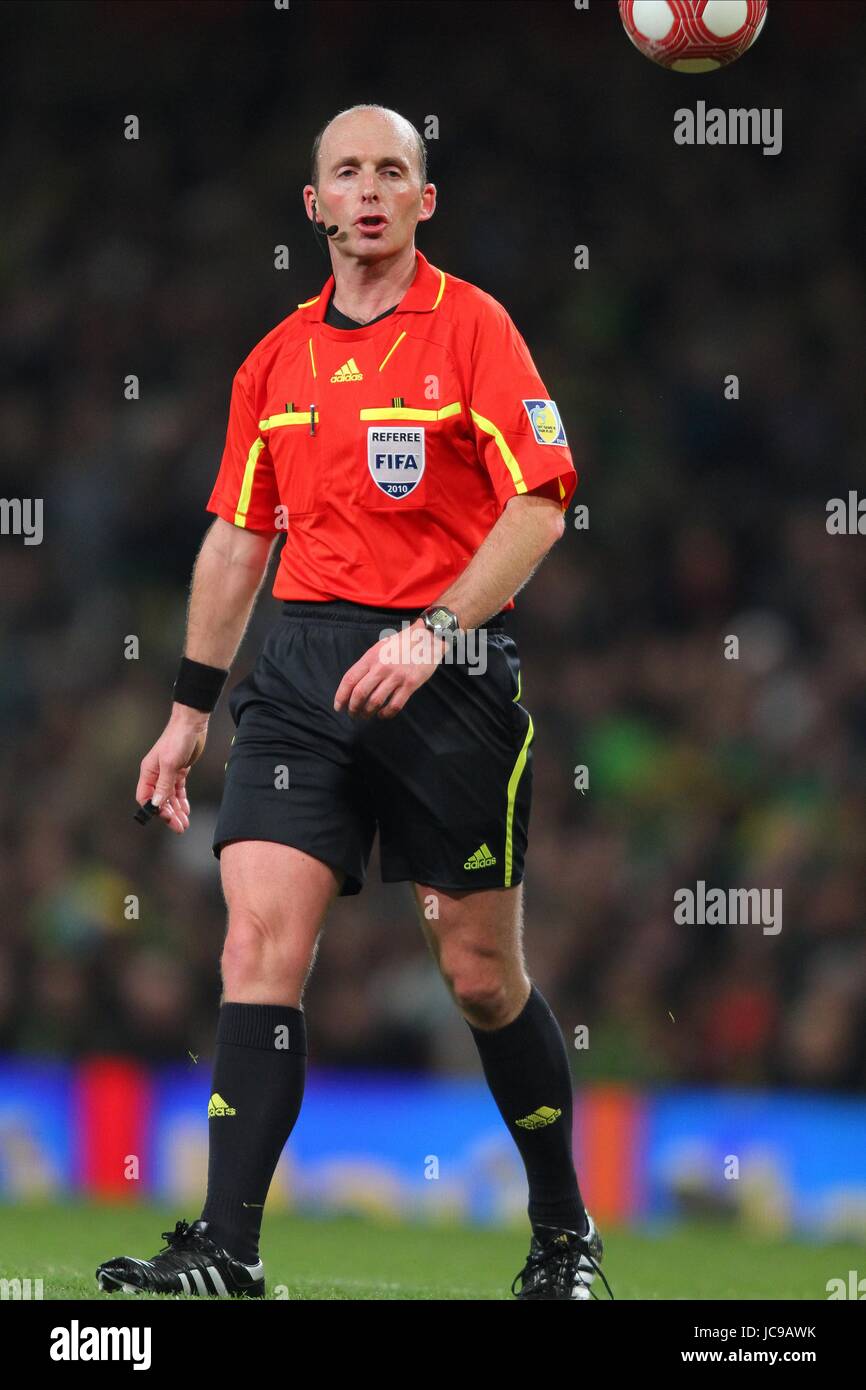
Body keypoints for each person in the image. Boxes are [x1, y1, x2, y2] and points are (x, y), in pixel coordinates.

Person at [97, 104, 607, 1301]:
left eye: (393, 171)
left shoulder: (474, 327)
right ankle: (227, 1251)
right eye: (345, 173)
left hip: (451, 671)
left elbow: (537, 501)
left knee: (479, 974)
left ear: (424, 200)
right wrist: (187, 713)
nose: (368, 190)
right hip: (303, 673)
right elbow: (237, 538)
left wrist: (437, 632)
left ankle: (563, 1234)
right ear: (313, 206)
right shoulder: (273, 362)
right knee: (256, 941)